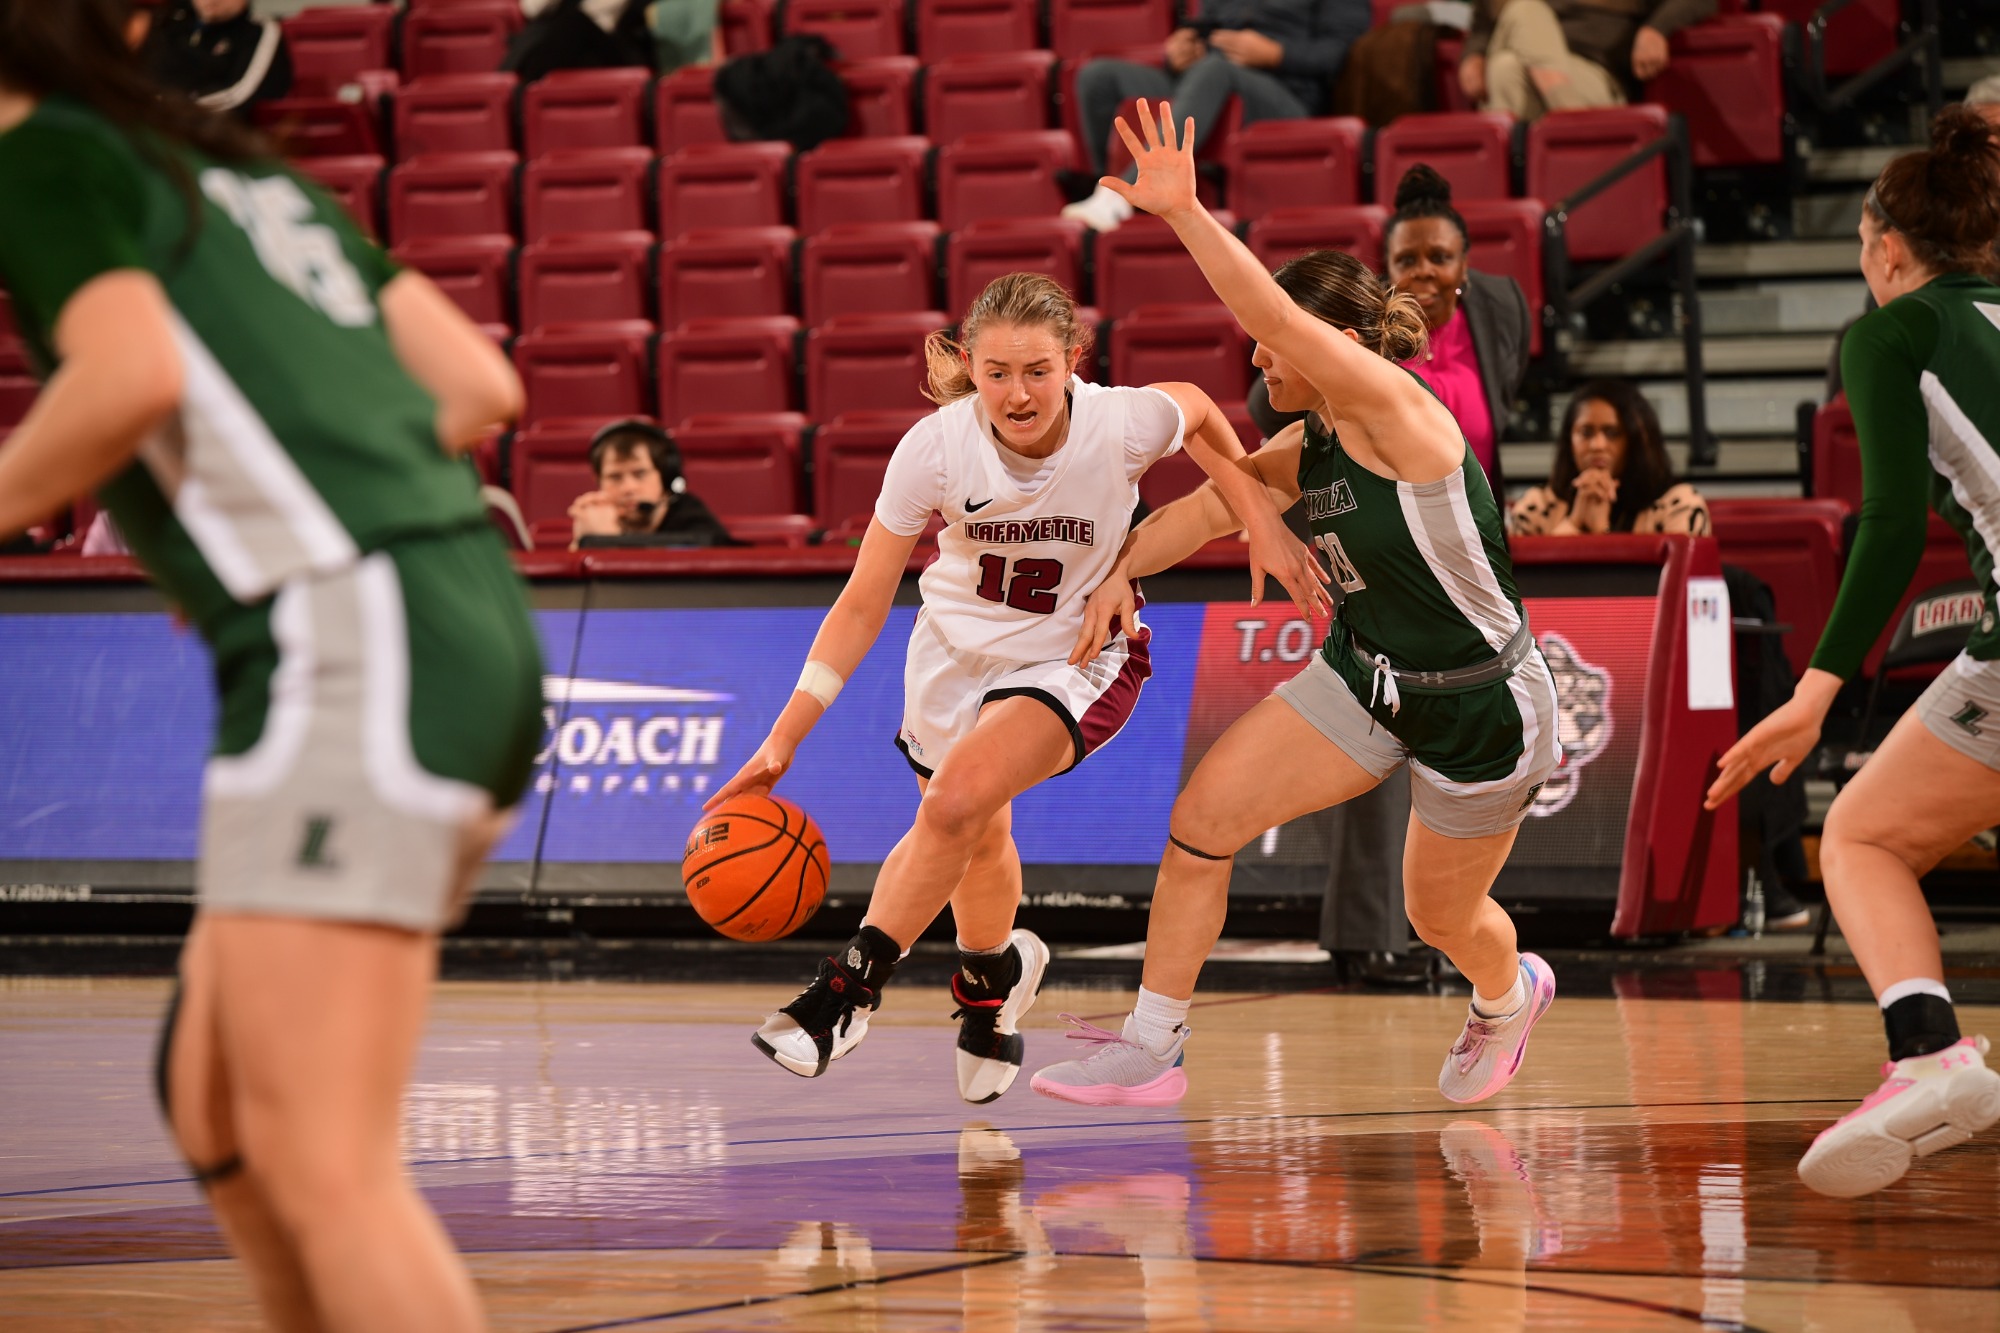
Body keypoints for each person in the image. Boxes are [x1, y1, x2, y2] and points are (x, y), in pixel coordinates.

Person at [0, 4, 545, 1329]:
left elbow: (123, 375)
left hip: (356, 631)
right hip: (444, 608)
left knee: (324, 1159)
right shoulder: (239, 167)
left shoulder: (47, 158)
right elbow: (478, 384)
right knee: (219, 1101)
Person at [1032, 101, 1564, 1109]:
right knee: (1201, 819)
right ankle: (1153, 1045)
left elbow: (1271, 320)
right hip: (1366, 678)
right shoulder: (1300, 447)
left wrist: (1184, 214)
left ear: (1340, 344)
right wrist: (1114, 573)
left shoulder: (1398, 411)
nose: (1256, 361)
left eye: (1276, 346)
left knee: (1438, 917)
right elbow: (1193, 517)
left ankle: (1507, 992)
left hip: (1482, 702)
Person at [703, 271, 1326, 1104]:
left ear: (1073, 357)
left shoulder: (1120, 420)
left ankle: (842, 994)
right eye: (997, 372)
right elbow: (861, 601)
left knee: (955, 799)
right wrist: (783, 737)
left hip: (1076, 652)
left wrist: (1259, 518)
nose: (1018, 392)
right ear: (970, 364)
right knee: (975, 834)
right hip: (955, 652)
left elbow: (1205, 411)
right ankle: (993, 978)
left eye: (1037, 369)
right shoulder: (934, 447)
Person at [1707, 108, 2000, 1200]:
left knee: (1864, 836)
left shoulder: (1892, 330)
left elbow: (1882, 520)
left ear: (1884, 248)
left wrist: (1814, 693)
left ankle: (1927, 1056)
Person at [1062, 0, 1371, 233]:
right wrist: (1181, 51)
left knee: (1216, 69)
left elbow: (1345, 51)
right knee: (1097, 76)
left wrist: (1277, 54)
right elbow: (1205, 26)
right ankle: (1101, 188)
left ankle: (1123, 195)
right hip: (1207, 75)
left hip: (1287, 93)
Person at [1506, 379, 1709, 536]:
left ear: (1637, 440)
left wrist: (1601, 531)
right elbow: (1522, 586)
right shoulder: (1537, 505)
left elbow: (1668, 586)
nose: (1597, 445)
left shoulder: (1679, 505)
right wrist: (1574, 523)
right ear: (1569, 440)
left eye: (1612, 433)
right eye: (1586, 433)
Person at [1459, 0, 1714, 122]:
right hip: (1526, 60)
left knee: (1507, 64)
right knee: (1521, 18)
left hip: (1594, 75)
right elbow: (1484, 20)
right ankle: (1576, 127)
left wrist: (1657, 29)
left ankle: (1532, 184)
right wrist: (1474, 54)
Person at [567, 416, 736, 549]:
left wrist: (606, 541)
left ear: (665, 476)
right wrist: (580, 544)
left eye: (640, 474)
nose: (628, 488)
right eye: (615, 477)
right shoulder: (599, 520)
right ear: (599, 482)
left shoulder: (695, 523)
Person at [136, 0, 294, 118]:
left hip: (224, 142)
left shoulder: (259, 32)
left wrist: (170, 110)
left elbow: (239, 95)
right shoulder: (168, 23)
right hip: (158, 133)